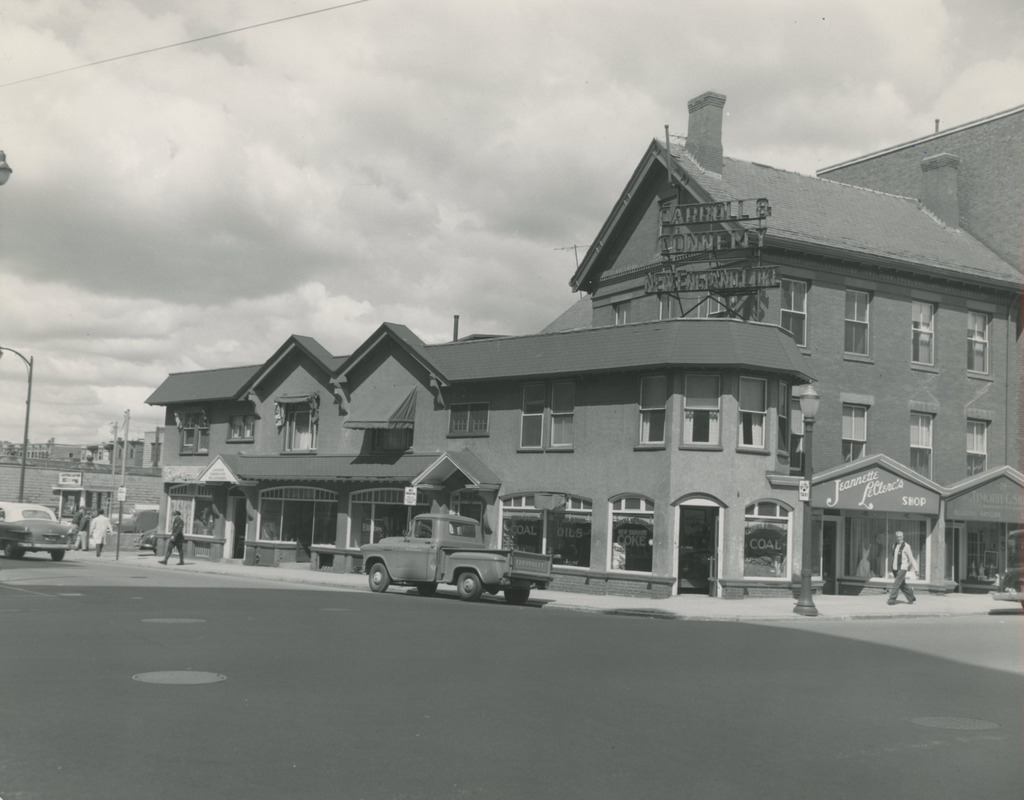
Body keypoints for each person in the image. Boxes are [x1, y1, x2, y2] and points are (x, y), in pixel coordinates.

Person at [887, 530, 918, 605]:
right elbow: (894, 556)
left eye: (900, 537)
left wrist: (916, 568)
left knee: (896, 583)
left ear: (903, 537)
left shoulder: (906, 546)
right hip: (895, 568)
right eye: (897, 537)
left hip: (902, 568)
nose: (899, 538)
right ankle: (911, 597)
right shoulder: (894, 545)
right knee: (902, 584)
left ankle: (892, 599)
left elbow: (911, 558)